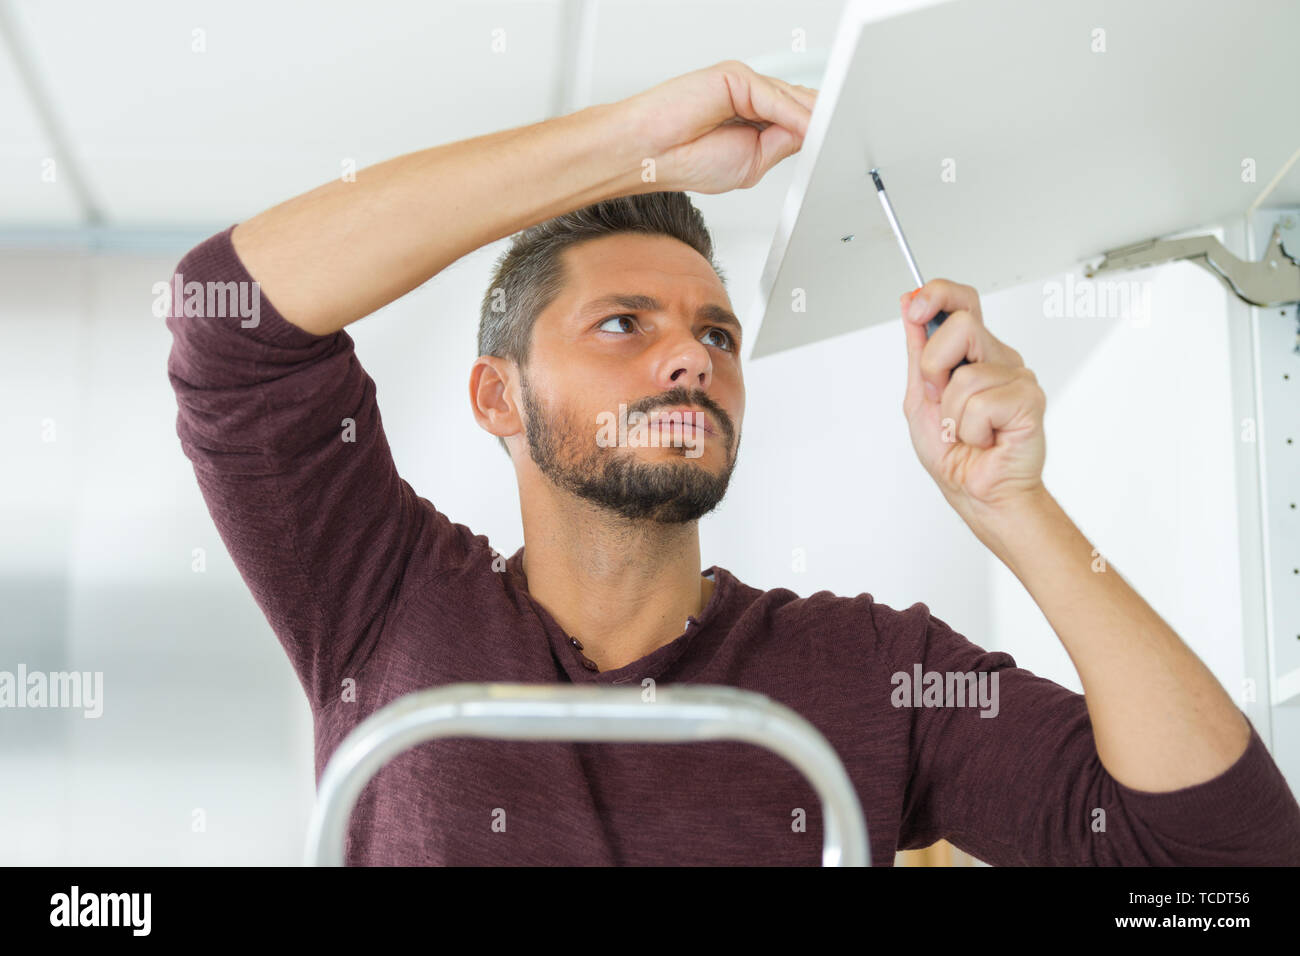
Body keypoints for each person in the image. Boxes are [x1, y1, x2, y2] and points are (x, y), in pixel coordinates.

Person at [165, 59, 1300, 866]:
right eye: (622, 324)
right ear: (495, 396)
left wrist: (1014, 504)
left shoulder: (869, 671)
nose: (688, 361)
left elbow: (1219, 851)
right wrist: (632, 140)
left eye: (715, 335)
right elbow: (228, 321)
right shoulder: (383, 605)